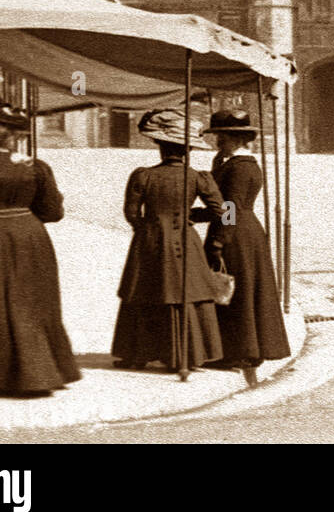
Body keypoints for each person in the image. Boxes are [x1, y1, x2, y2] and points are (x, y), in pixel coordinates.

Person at [0, 97, 80, 395]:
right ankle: (39, 372)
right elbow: (52, 213)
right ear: (15, 136)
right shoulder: (35, 167)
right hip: (27, 238)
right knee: (33, 302)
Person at [111, 109, 227, 370]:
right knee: (186, 292)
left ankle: (137, 354)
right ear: (188, 150)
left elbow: (131, 213)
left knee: (145, 291)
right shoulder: (198, 177)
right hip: (186, 241)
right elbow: (222, 210)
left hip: (149, 241)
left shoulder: (143, 175)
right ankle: (186, 355)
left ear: (160, 147)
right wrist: (192, 216)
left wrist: (147, 228)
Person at [203, 110, 290, 384]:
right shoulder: (233, 162)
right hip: (243, 230)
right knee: (239, 290)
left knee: (233, 291)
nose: (217, 141)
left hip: (236, 234)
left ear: (233, 137)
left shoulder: (240, 167)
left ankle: (239, 352)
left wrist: (219, 239)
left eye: (220, 136)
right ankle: (240, 349)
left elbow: (231, 207)